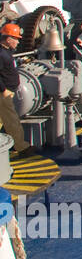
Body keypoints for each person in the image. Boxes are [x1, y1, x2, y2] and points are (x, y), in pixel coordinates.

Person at [0, 22, 32, 159]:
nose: (18, 42)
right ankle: (22, 147)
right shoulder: (1, 53)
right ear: (8, 39)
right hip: (4, 94)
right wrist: (4, 90)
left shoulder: (6, 52)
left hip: (6, 92)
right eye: (16, 39)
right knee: (12, 120)